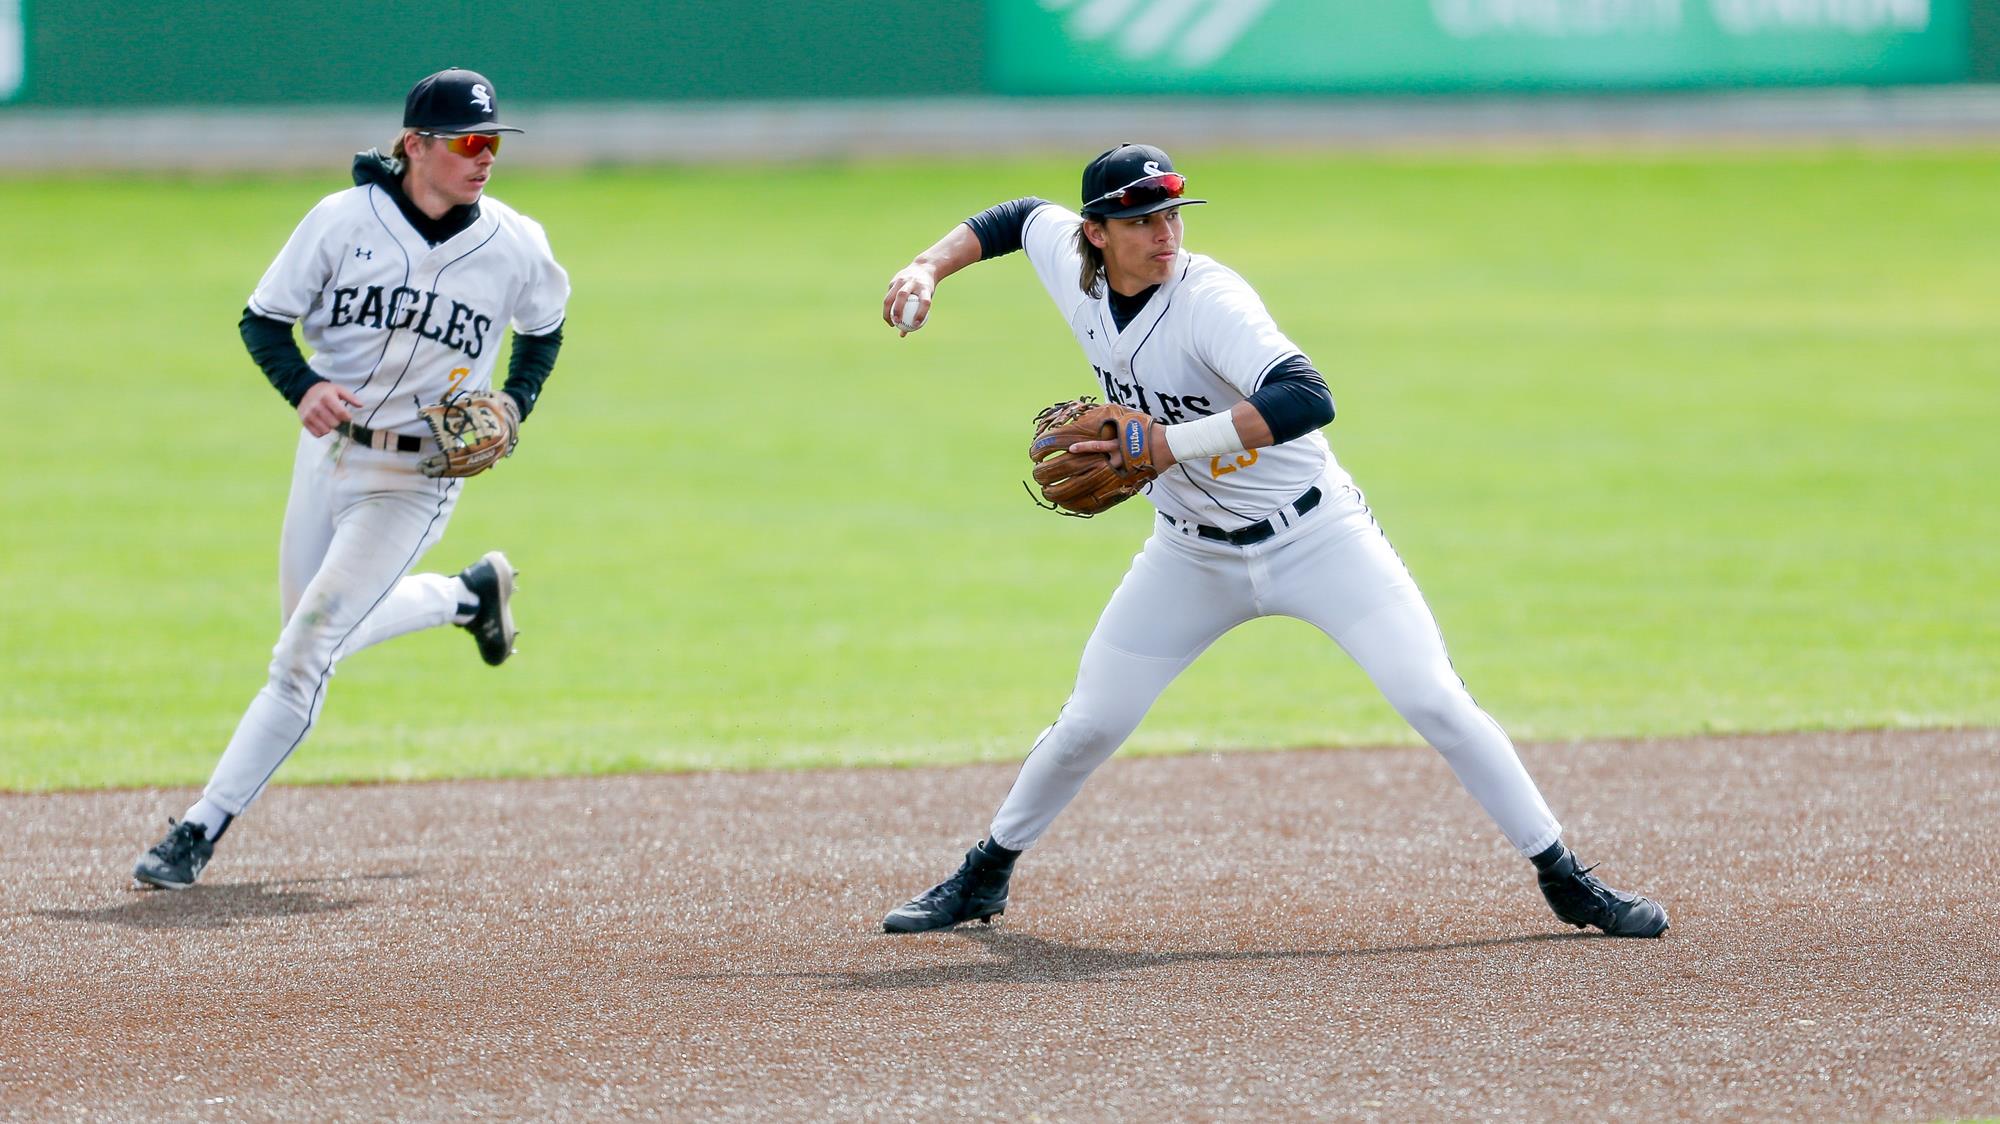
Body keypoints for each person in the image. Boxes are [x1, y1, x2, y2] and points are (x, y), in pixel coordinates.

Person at [876, 143, 1668, 938]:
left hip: (1316, 536)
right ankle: (986, 874)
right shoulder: (1068, 258)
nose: (1164, 234)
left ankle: (1566, 878)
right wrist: (925, 268)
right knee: (1090, 722)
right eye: (1142, 220)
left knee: (1433, 699)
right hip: (1190, 553)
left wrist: (1169, 447)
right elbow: (1014, 218)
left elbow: (1306, 397)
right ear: (1096, 235)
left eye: (1171, 216)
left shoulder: (1210, 299)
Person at [131, 68, 570, 890]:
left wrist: (516, 403)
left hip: (419, 478)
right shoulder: (340, 222)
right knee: (309, 630)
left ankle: (198, 829)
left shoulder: (514, 243)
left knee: (301, 657)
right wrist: (304, 387)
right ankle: (466, 597)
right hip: (329, 456)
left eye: (493, 143)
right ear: (416, 145)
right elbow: (262, 320)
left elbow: (543, 329)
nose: (484, 158)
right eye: (468, 142)